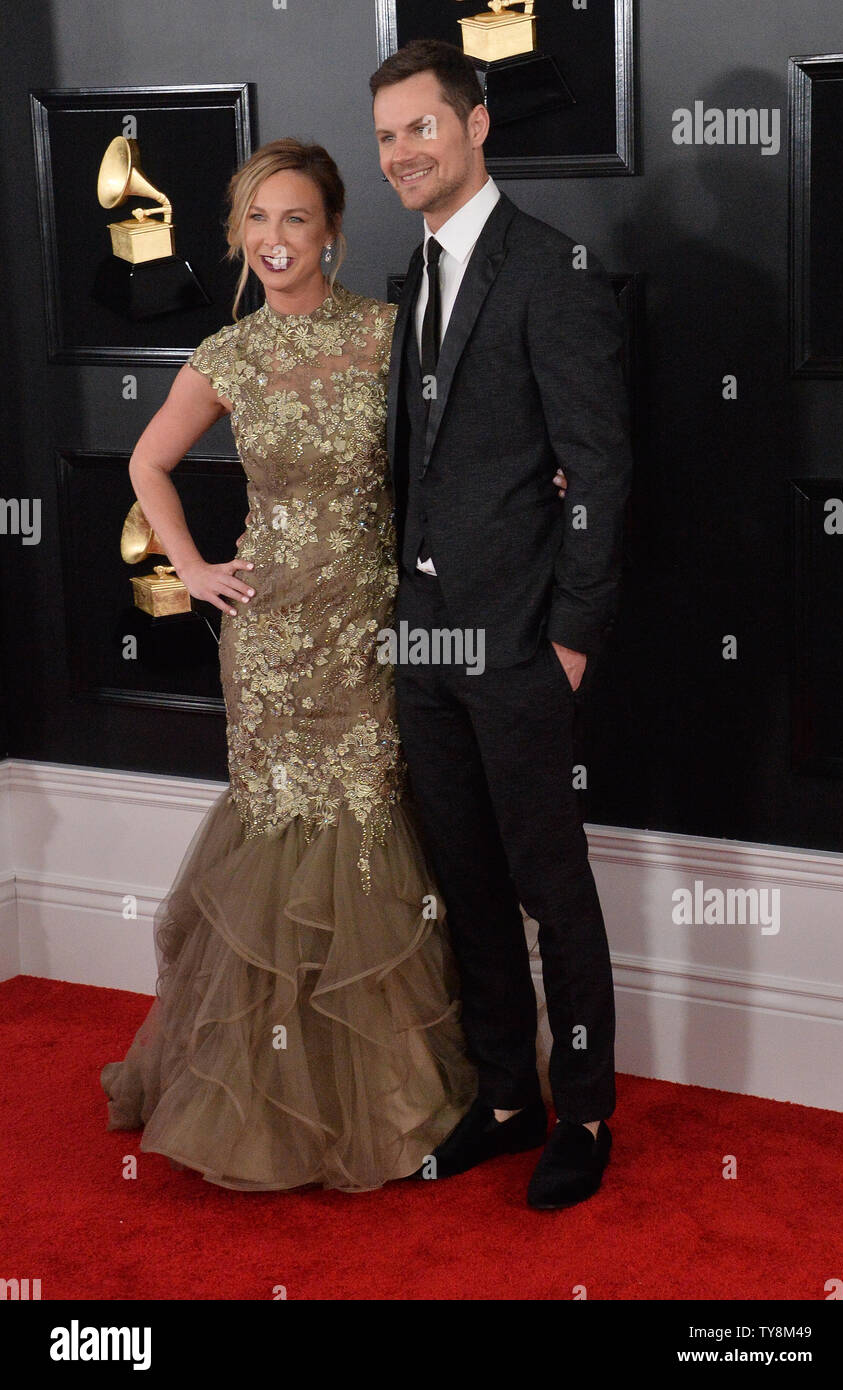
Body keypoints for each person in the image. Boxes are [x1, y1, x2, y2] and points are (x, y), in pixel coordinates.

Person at [100, 138, 481, 1192]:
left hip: (366, 623)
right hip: (268, 640)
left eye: (296, 220)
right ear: (239, 235)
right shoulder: (228, 355)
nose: (276, 239)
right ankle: (264, 1105)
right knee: (279, 837)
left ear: (332, 232)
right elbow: (147, 461)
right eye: (258, 221)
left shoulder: (386, 335)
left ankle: (393, 1102)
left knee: (369, 831)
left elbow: (455, 447)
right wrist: (192, 568)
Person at [370, 40, 633, 1209]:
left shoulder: (549, 268)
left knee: (547, 880)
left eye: (419, 128)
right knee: (464, 879)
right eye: (383, 137)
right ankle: (505, 1095)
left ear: (476, 125)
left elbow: (601, 465)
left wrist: (569, 634)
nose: (398, 155)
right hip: (420, 637)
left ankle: (581, 1109)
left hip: (521, 642)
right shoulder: (403, 279)